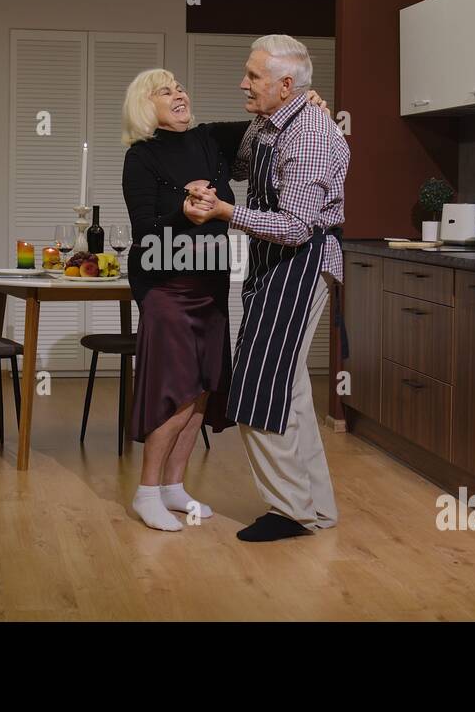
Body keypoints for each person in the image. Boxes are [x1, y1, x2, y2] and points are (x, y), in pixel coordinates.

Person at [120, 68, 330, 533]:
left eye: (179, 86)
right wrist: (184, 211)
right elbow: (144, 232)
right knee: (174, 393)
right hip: (166, 286)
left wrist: (310, 101)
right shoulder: (141, 157)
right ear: (144, 106)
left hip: (210, 285)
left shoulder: (212, 139)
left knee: (202, 389)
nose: (178, 94)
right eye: (165, 91)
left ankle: (175, 486)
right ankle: (147, 491)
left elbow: (278, 120)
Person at [183, 35, 349, 543]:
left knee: (256, 388)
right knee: (292, 392)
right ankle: (314, 508)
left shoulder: (311, 134)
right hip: (274, 265)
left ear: (284, 84)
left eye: (253, 76)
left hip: (301, 263)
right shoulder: (270, 122)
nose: (243, 82)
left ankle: (291, 510)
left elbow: (297, 226)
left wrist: (224, 212)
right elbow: (237, 164)